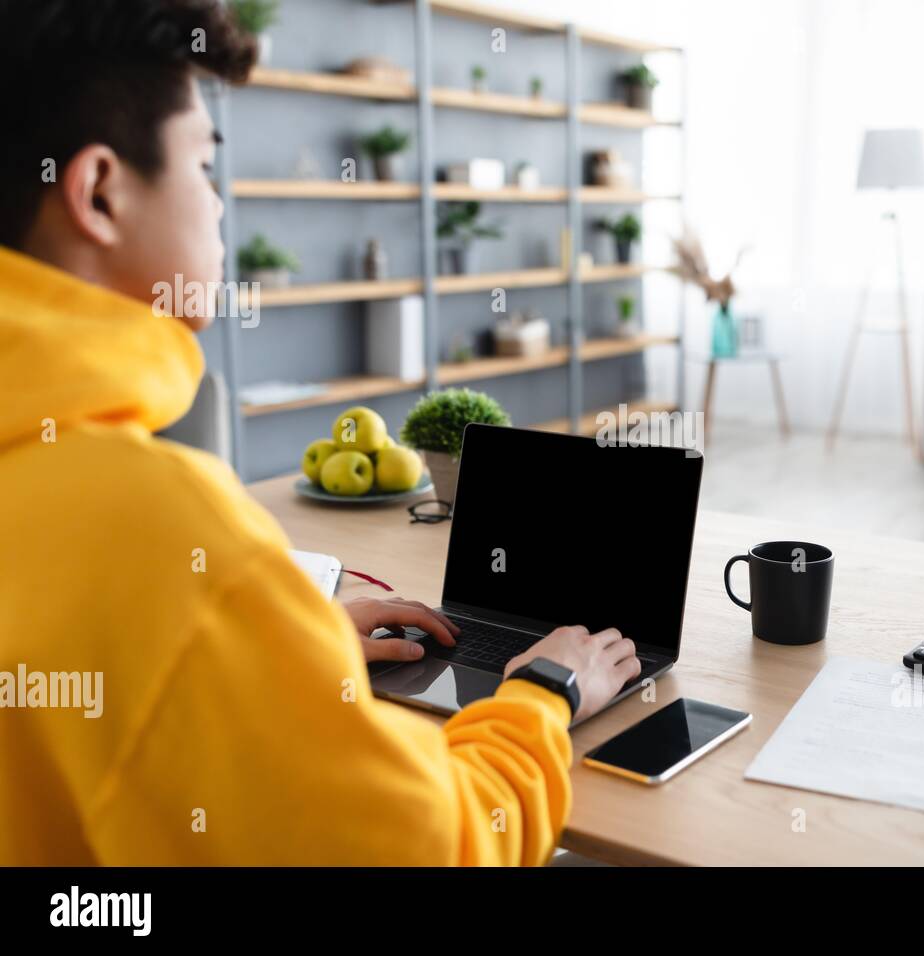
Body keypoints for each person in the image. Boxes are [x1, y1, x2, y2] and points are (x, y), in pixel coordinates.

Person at [0, 0, 639, 865]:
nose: (218, 204)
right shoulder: (160, 526)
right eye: (203, 164)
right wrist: (546, 694)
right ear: (100, 192)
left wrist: (288, 646)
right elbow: (439, 848)